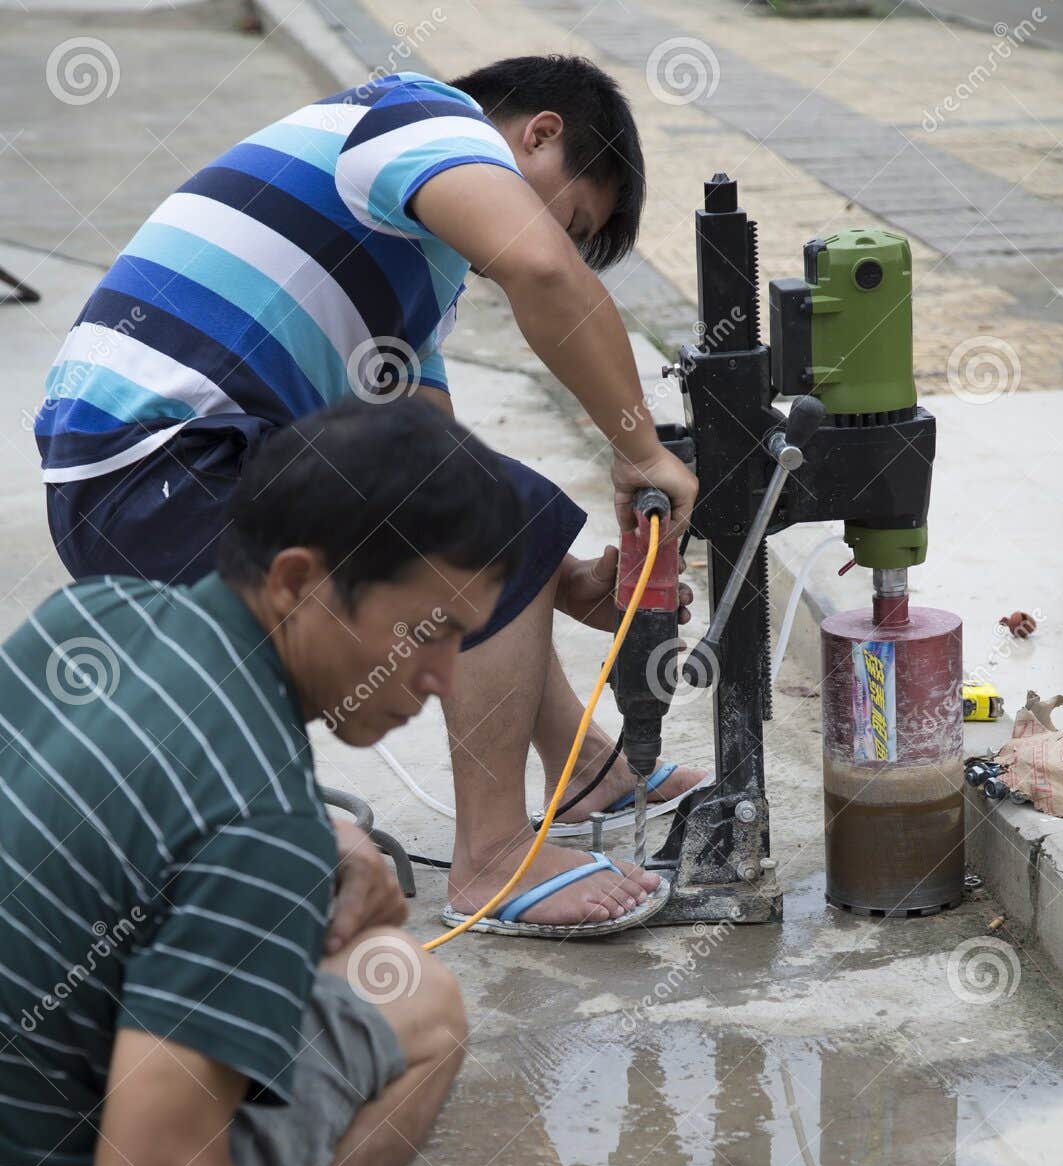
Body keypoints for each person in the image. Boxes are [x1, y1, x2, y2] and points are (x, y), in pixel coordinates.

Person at [36, 55, 703, 938]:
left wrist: (562, 572)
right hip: (163, 472)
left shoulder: (410, 276)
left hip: (151, 480)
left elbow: (438, 471)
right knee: (500, 523)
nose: (558, 241)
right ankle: (495, 858)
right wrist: (641, 451)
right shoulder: (420, 115)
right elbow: (543, 271)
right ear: (539, 134)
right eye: (571, 214)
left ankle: (584, 769)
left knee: (486, 526)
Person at [0, 401, 525, 1166]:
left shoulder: (95, 619)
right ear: (296, 580)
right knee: (413, 996)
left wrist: (318, 833)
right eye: (424, 629)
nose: (440, 676)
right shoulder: (251, 825)